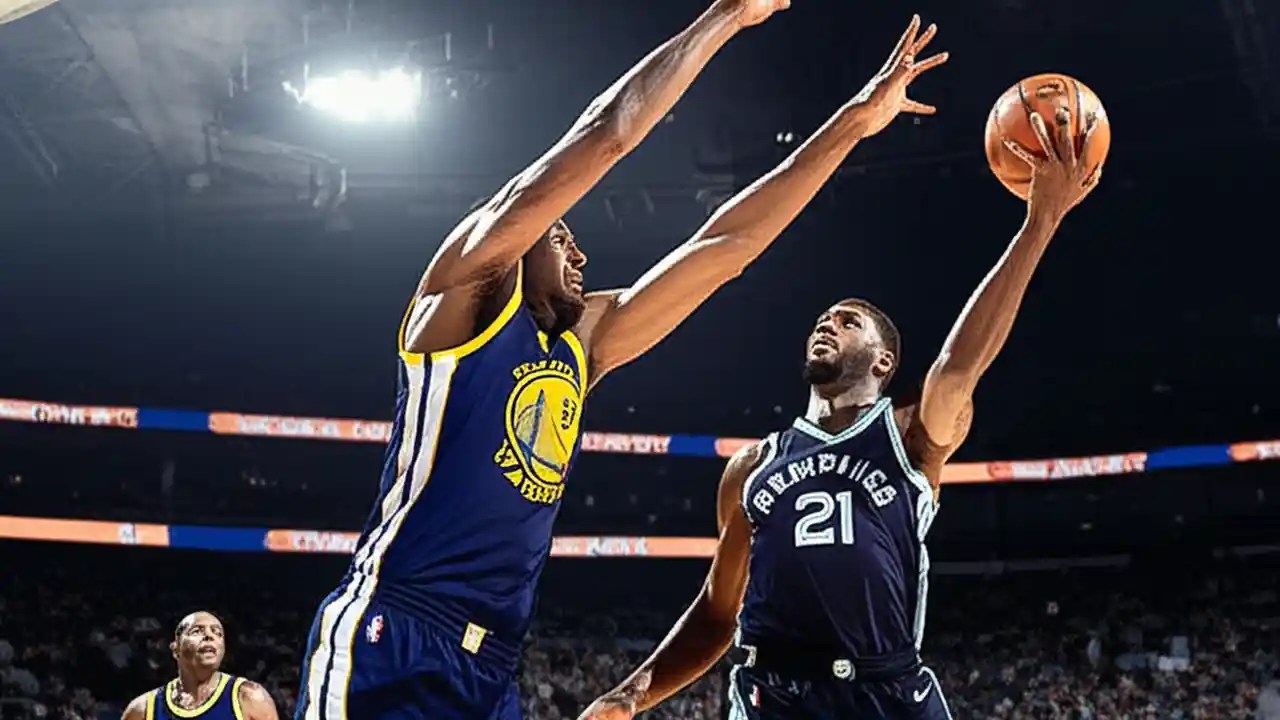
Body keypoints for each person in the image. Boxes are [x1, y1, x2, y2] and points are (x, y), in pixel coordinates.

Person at [295, 2, 948, 718]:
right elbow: (608, 135)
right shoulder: (460, 294)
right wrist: (726, 17)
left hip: (493, 667)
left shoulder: (582, 346)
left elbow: (726, 247)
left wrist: (853, 122)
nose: (579, 253)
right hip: (395, 629)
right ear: (516, 239)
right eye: (560, 238)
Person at [579, 82, 1103, 719]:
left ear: (883, 361)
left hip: (884, 694)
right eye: (824, 319)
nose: (828, 324)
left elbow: (958, 367)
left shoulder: (909, 436)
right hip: (774, 696)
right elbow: (717, 613)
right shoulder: (751, 467)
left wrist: (1040, 223)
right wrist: (634, 692)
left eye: (849, 322)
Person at [121, 611, 278, 720]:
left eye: (217, 633)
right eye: (196, 631)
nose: (209, 636)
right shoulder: (143, 709)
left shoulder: (249, 698)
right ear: (176, 649)